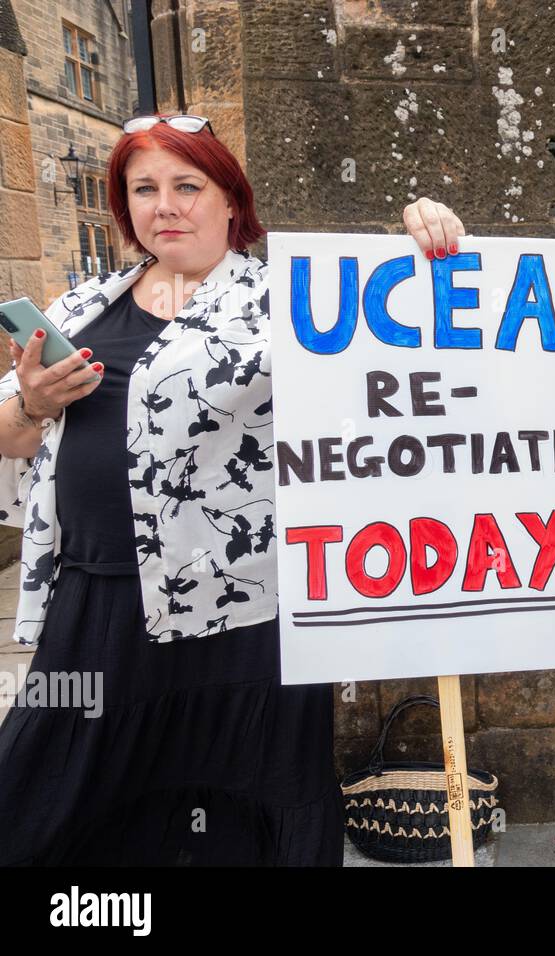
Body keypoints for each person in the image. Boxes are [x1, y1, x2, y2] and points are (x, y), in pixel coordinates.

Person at [0, 113, 463, 865]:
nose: (165, 205)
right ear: (124, 206)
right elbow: (10, 435)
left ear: (230, 201)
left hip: (242, 608)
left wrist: (426, 244)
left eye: (188, 185)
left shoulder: (292, 297)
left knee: (241, 790)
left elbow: (405, 337)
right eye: (143, 188)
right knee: (46, 782)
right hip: (97, 600)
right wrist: (35, 402)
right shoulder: (81, 306)